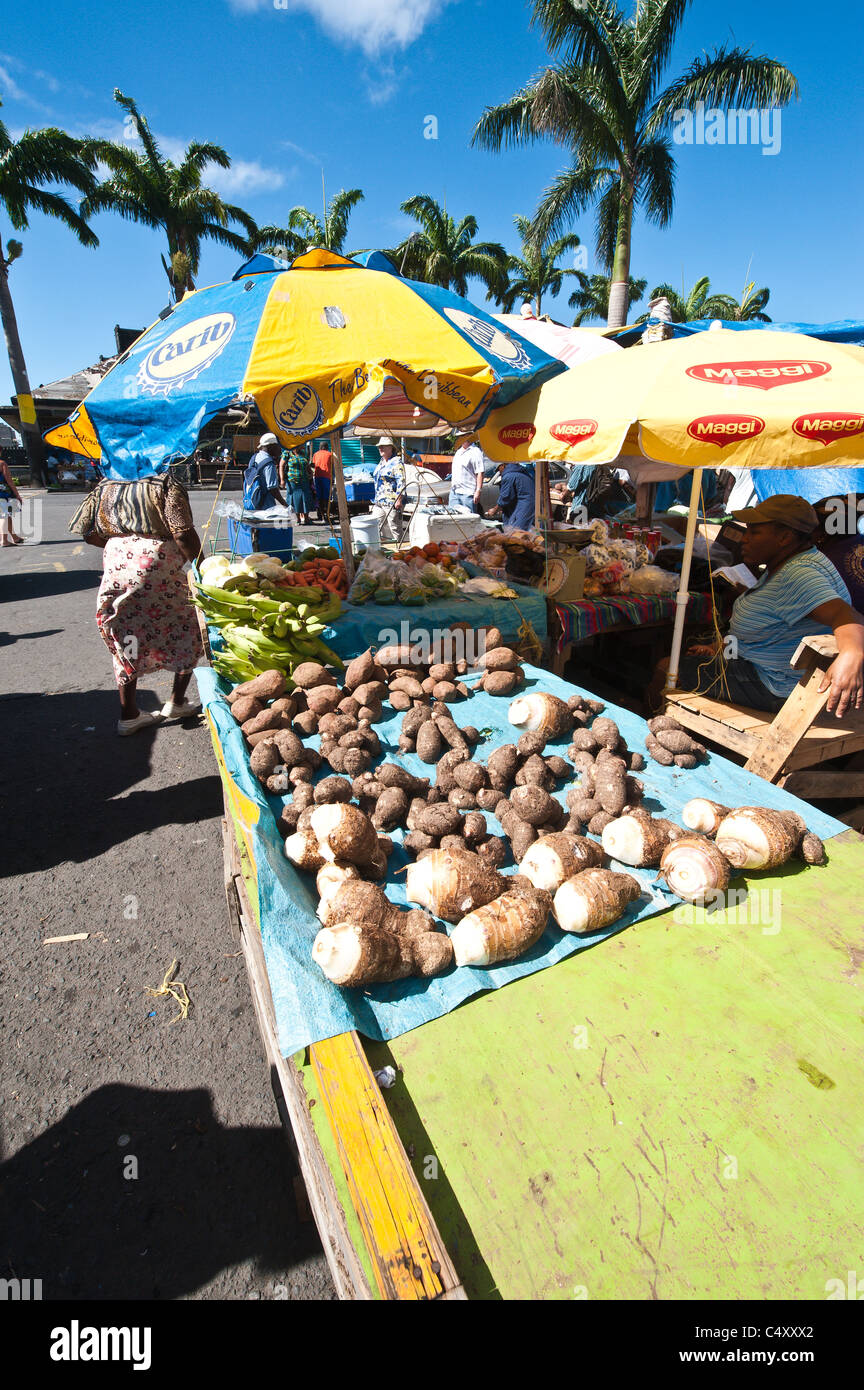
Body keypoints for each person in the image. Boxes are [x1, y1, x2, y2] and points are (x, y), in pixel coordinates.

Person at [650, 495, 864, 716]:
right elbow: (776, 618)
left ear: (784, 537)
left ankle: (652, 725)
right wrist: (719, 647)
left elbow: (846, 615)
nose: (744, 538)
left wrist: (851, 655)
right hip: (767, 671)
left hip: (774, 688)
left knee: (665, 668)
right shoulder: (798, 560)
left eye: (754, 532)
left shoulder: (799, 575)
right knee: (691, 655)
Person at [70, 474, 205, 735]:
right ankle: (177, 702)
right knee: (187, 627)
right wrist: (201, 565)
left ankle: (128, 715)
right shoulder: (164, 482)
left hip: (118, 560)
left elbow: (86, 530)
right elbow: (182, 533)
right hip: (157, 561)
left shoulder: (107, 482)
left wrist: (122, 544)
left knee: (124, 632)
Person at [373, 437, 407, 541]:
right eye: (379, 447)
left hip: (392, 502)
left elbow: (401, 481)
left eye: (383, 446)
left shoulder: (397, 462)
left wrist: (399, 499)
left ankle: (400, 550)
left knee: (395, 528)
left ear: (391, 448)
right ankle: (382, 548)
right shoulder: (381, 462)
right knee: (375, 525)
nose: (380, 448)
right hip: (379, 501)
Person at [243, 433, 286, 513]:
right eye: (278, 446)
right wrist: (284, 504)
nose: (280, 450)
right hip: (265, 506)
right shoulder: (269, 463)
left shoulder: (255, 457)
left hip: (251, 502)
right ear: (271, 446)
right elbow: (272, 488)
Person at [489, 460, 535, 530]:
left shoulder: (509, 476)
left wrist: (494, 510)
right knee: (522, 532)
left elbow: (505, 498)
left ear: (503, 466)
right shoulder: (520, 472)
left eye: (499, 470)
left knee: (516, 533)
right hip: (528, 506)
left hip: (524, 507)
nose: (499, 472)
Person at [449, 428, 485, 513]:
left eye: (461, 436)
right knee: (452, 519)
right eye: (459, 436)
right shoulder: (458, 452)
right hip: (454, 492)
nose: (459, 438)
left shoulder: (475, 451)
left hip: (468, 493)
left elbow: (480, 472)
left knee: (468, 520)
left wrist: (478, 491)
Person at [280, 448, 313, 526]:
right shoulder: (287, 453)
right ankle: (298, 518)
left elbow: (307, 465)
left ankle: (306, 518)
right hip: (292, 482)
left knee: (305, 498)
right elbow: (281, 465)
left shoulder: (303, 453)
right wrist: (282, 479)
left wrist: (311, 473)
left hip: (304, 481)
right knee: (295, 500)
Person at [0, 455, 24, 545]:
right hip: (3, 495)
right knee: (4, 517)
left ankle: (15, 537)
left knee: (7, 516)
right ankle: (4, 540)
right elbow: (9, 480)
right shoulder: (2, 463)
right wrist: (17, 495)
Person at [311, 441, 333, 522]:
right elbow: (333, 465)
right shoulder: (330, 454)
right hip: (326, 477)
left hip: (317, 477)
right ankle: (327, 516)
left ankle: (321, 516)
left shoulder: (315, 454)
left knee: (319, 497)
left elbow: (313, 465)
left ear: (320, 447)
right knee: (327, 498)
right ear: (327, 447)